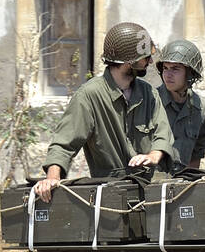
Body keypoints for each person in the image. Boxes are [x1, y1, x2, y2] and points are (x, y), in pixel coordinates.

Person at [34, 22, 175, 201]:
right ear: (128, 62)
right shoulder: (89, 96)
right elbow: (63, 145)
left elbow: (163, 134)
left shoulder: (149, 93)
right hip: (112, 197)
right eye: (145, 57)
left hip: (151, 192)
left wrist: (154, 155)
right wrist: (52, 178)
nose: (149, 61)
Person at [155, 39, 205, 171]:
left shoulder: (204, 111)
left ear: (190, 73)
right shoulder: (151, 102)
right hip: (150, 182)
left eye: (175, 69)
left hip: (181, 184)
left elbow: (196, 156)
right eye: (165, 68)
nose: (168, 75)